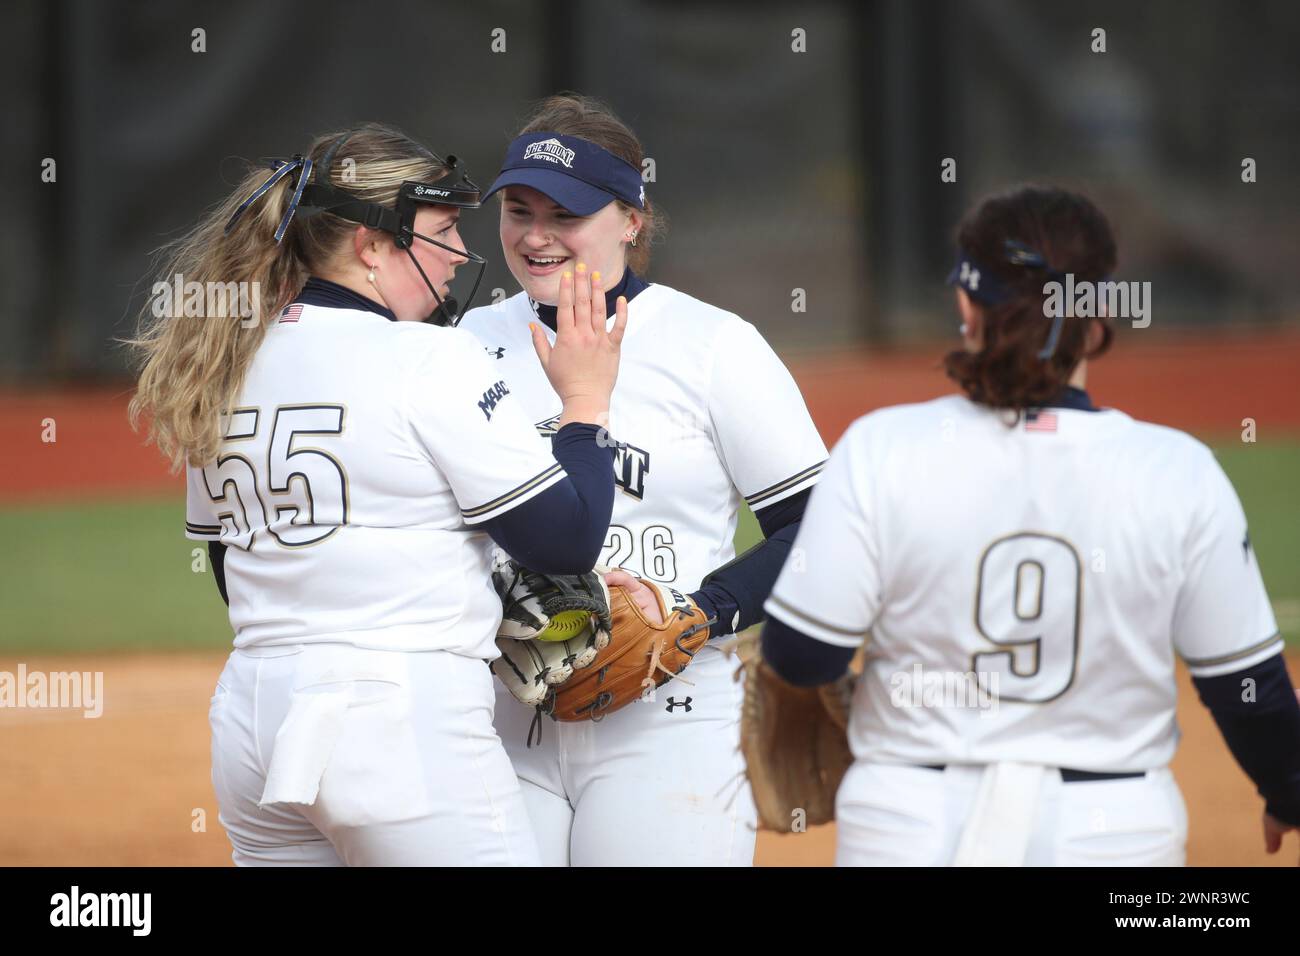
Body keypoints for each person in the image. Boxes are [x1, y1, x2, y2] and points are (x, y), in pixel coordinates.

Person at [128, 122, 627, 866]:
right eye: (443, 231)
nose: (460, 255)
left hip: (252, 728)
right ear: (371, 245)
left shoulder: (225, 361)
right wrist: (585, 408)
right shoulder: (426, 358)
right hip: (401, 725)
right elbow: (566, 540)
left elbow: (233, 568)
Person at [761, 184, 1300, 866]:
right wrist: (1287, 787)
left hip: (910, 825)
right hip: (1109, 833)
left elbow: (803, 655)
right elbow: (1247, 693)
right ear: (1098, 314)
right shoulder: (1179, 471)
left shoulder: (880, 449)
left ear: (965, 305)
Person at [458, 94, 828, 866]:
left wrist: (704, 613)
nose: (535, 236)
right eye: (518, 209)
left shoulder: (714, 347)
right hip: (498, 717)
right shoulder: (466, 342)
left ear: (632, 217)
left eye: (565, 214)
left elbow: (825, 528)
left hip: (670, 717)